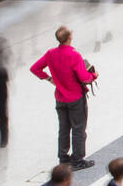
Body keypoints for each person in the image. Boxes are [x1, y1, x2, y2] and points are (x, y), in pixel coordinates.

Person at [30, 26, 98, 170]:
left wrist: (49, 78)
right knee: (79, 128)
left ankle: (63, 157)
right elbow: (84, 77)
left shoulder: (51, 53)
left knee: (63, 128)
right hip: (75, 97)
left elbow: (35, 68)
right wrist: (94, 75)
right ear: (70, 38)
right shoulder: (74, 55)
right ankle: (78, 159)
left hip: (60, 97)